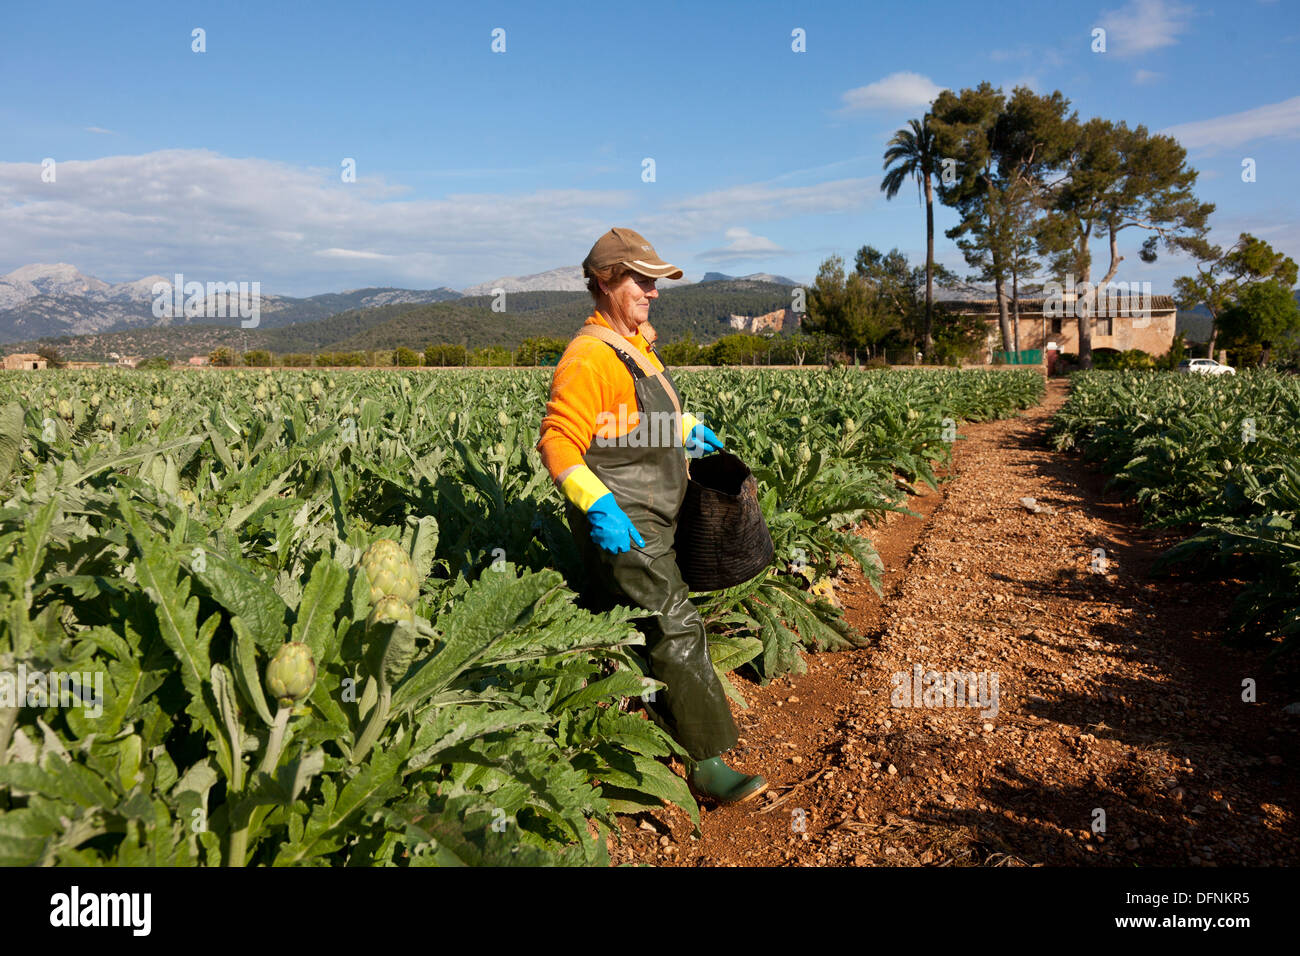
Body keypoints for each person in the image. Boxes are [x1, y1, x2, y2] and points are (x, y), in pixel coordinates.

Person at [537, 227, 767, 805]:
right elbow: (559, 442)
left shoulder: (634, 346)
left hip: (660, 514)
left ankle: (648, 717)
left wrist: (686, 431)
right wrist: (599, 506)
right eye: (642, 279)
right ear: (607, 282)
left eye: (655, 280)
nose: (653, 291)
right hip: (629, 522)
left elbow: (627, 424)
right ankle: (706, 763)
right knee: (674, 622)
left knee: (651, 627)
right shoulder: (588, 357)